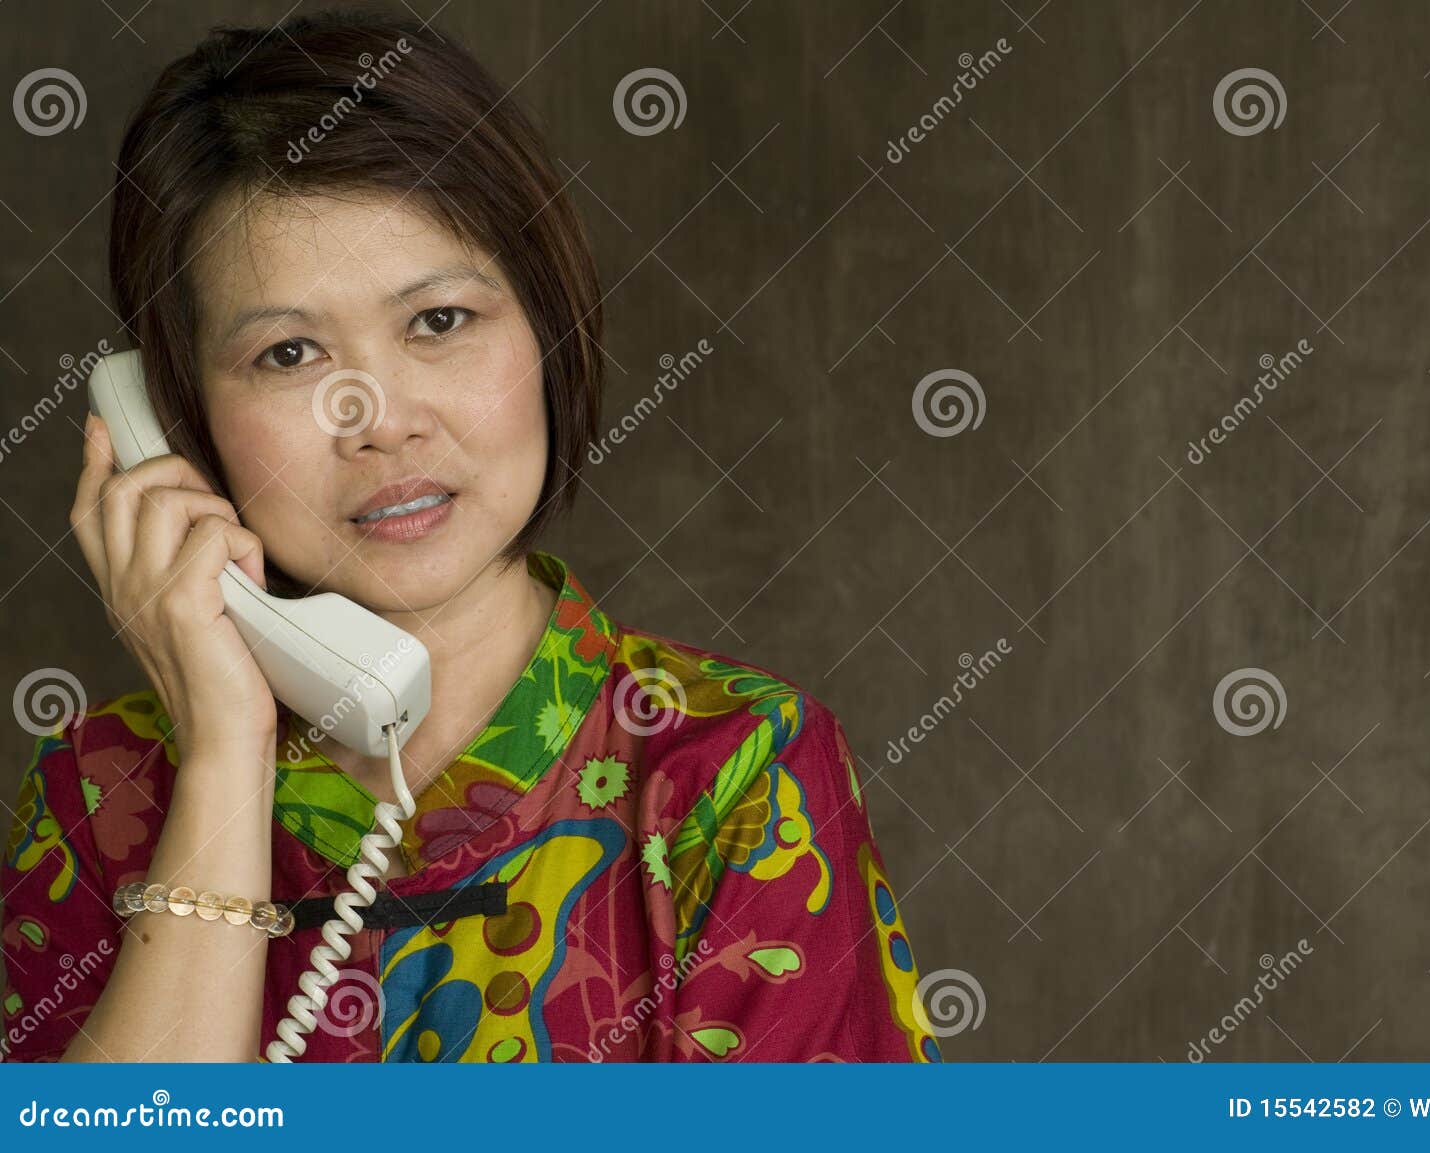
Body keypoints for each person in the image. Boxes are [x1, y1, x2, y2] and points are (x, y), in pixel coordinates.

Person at [0, 10, 938, 1063]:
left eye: (439, 321)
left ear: (545, 322)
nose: (382, 419)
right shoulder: (102, 792)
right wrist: (223, 759)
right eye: (289, 352)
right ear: (173, 418)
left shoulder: (732, 771)